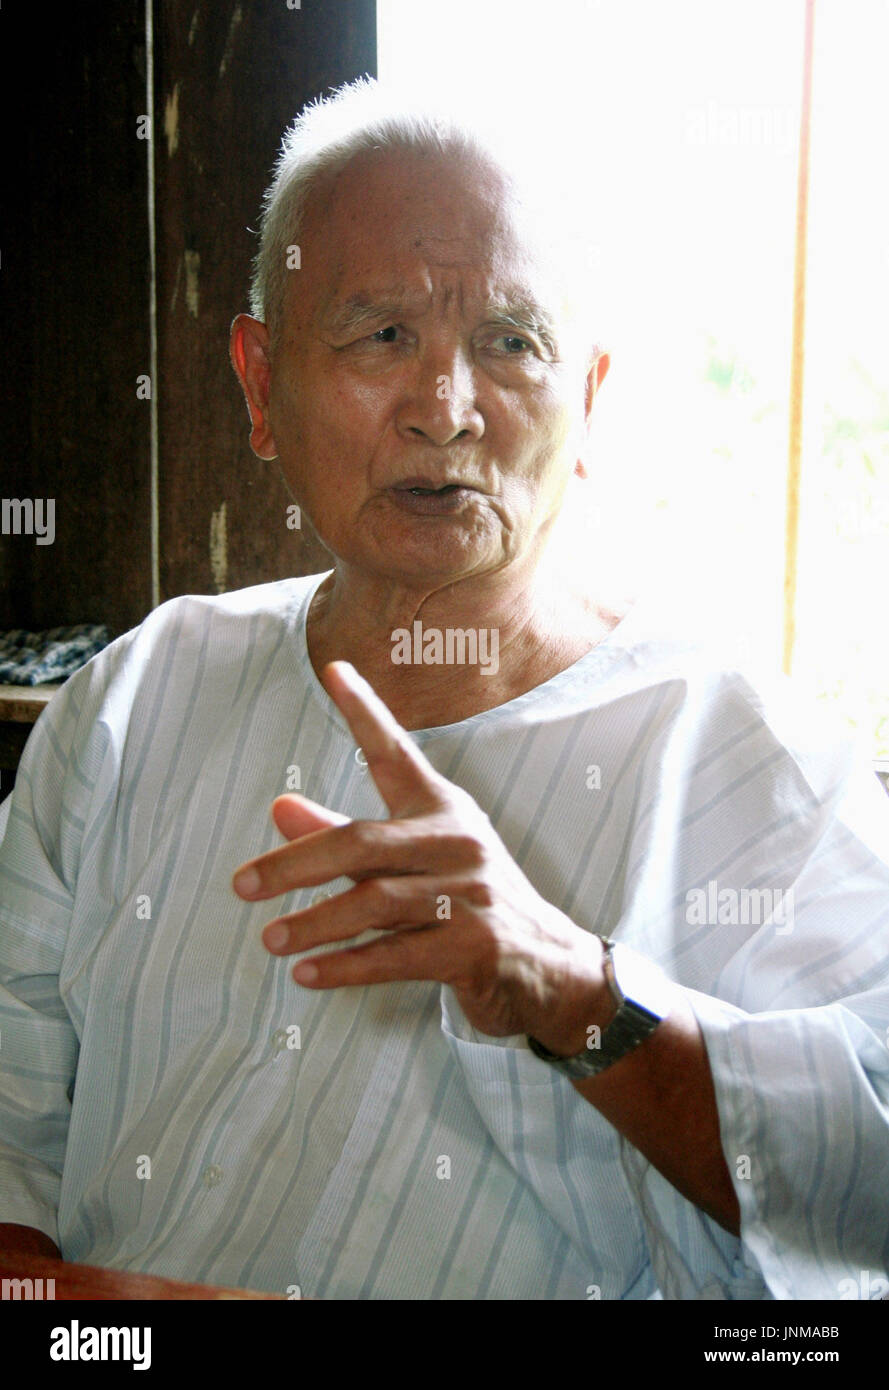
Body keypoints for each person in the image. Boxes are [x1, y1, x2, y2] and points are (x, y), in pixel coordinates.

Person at [1, 77, 887, 1301]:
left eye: (510, 342)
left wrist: (571, 988)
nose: (444, 411)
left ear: (587, 397)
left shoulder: (744, 758)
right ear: (261, 385)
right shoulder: (130, 703)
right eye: (379, 336)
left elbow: (872, 1193)